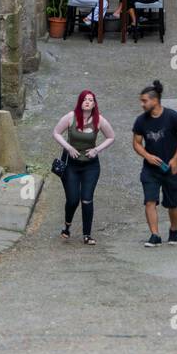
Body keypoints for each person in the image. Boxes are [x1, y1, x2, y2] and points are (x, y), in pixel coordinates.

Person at [53, 90, 116, 244]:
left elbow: (111, 136)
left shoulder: (99, 120)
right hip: (71, 166)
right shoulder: (70, 117)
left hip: (90, 166)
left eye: (90, 100)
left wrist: (97, 149)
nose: (87, 102)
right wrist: (68, 148)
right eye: (85, 99)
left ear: (94, 104)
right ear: (80, 102)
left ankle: (87, 235)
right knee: (73, 199)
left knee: (87, 199)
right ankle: (67, 226)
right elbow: (56, 132)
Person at [132, 79, 177, 247]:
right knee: (150, 200)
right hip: (150, 169)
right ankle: (155, 235)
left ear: (155, 100)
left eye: (144, 101)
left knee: (172, 203)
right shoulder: (141, 121)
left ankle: (173, 230)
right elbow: (136, 142)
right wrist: (147, 156)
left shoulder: (173, 117)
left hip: (171, 167)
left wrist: (175, 158)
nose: (142, 104)